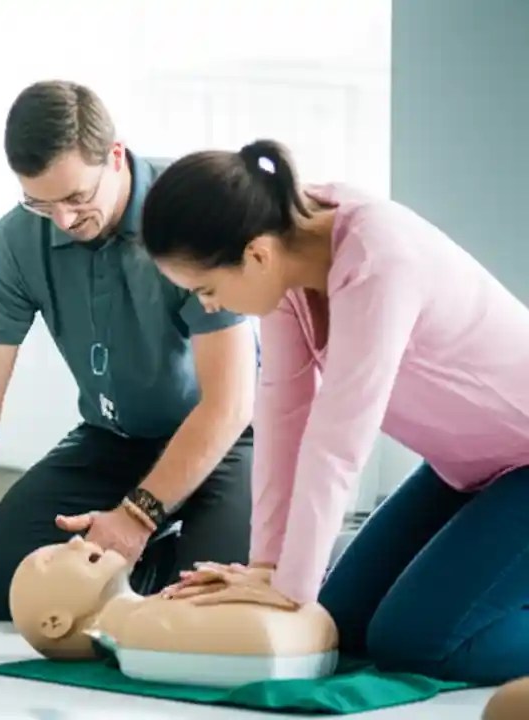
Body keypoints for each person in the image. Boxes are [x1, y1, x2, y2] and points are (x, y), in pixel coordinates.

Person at [0, 80, 258, 635]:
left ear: (114, 157)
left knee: (203, 604)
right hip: (115, 438)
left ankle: (203, 543)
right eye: (40, 201)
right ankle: (152, 560)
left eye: (76, 198)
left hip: (224, 439)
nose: (61, 219)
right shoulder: (17, 242)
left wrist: (136, 517)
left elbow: (228, 405)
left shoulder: (188, 210)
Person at [142, 138, 529, 685]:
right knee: (339, 623)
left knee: (417, 645)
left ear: (255, 255)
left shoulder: (379, 258)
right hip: (467, 469)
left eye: (206, 288)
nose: (206, 305)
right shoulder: (284, 262)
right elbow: (282, 414)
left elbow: (337, 439)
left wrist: (290, 586)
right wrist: (268, 570)